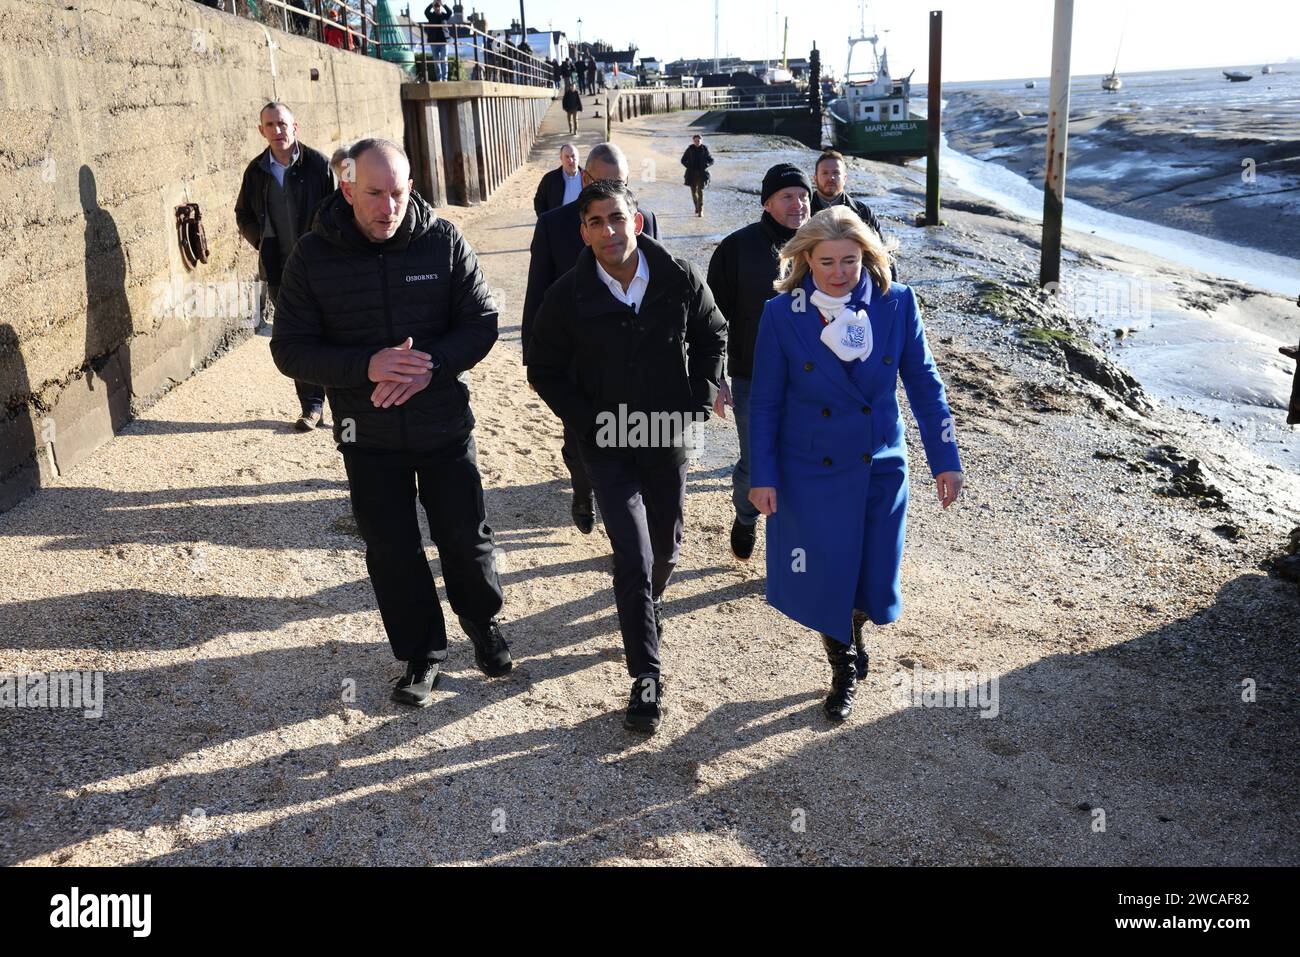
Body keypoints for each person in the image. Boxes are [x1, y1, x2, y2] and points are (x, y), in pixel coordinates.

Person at [269, 139, 512, 708]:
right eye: (375, 194)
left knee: (465, 535)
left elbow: (481, 322)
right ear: (348, 188)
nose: (388, 207)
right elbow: (290, 350)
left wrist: (430, 367)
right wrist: (367, 365)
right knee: (393, 549)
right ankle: (421, 653)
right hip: (368, 436)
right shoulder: (311, 256)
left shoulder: (444, 241)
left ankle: (483, 626)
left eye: (399, 193)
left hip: (444, 425)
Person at [747, 206, 964, 722]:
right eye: (827, 262)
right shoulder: (781, 314)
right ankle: (842, 665)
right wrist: (764, 476)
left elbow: (926, 387)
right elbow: (765, 404)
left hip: (880, 466)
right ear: (805, 260)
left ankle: (854, 628)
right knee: (827, 572)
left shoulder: (897, 304)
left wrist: (945, 460)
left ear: (867, 255)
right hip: (810, 471)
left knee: (874, 574)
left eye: (851, 260)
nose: (841, 273)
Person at [528, 180, 727, 733]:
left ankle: (648, 606)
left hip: (668, 435)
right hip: (607, 444)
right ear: (583, 232)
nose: (609, 231)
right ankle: (646, 680)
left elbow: (713, 332)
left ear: (636, 221)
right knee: (633, 560)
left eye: (617, 218)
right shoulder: (566, 295)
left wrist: (701, 397)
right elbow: (542, 369)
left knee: (665, 550)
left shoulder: (679, 277)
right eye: (596, 222)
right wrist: (588, 421)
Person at [521, 142, 661, 535]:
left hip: (632, 356)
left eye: (623, 185)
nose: (616, 195)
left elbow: (662, 291)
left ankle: (629, 515)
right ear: (585, 179)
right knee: (579, 436)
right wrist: (533, 357)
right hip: (574, 356)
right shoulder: (552, 224)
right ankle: (582, 491)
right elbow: (538, 291)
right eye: (605, 183)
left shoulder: (644, 217)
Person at [706, 163, 812, 562]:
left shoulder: (823, 245)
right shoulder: (736, 248)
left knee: (802, 465)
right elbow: (712, 320)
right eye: (787, 196)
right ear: (767, 203)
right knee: (757, 461)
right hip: (753, 376)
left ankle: (789, 548)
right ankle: (746, 516)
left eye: (803, 196)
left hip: (812, 380)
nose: (798, 204)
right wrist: (716, 378)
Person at [234, 102, 335, 432]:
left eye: (282, 123)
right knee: (299, 337)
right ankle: (312, 407)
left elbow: (339, 209)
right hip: (280, 271)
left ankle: (345, 404)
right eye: (270, 125)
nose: (277, 130)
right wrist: (262, 241)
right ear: (261, 130)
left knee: (334, 334)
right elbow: (243, 214)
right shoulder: (255, 172)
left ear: (295, 127)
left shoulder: (319, 165)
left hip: (322, 268)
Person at [533, 143, 583, 216]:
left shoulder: (587, 178)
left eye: (573, 156)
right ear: (561, 158)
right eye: (567, 157)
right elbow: (539, 201)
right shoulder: (549, 179)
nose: (570, 160)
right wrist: (546, 221)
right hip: (558, 224)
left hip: (582, 224)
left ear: (578, 158)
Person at [680, 134, 714, 217]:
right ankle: (696, 207)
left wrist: (707, 165)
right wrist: (689, 166)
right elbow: (683, 160)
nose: (697, 142)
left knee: (700, 191)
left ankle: (700, 210)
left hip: (702, 174)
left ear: (701, 141)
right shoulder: (690, 149)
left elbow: (711, 160)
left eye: (698, 141)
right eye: (695, 141)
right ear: (693, 141)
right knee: (693, 192)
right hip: (691, 174)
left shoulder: (705, 149)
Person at [423, 1, 451, 81]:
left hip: (443, 42)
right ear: (434, 8)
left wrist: (443, 4)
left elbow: (450, 12)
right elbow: (426, 11)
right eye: (435, 6)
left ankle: (444, 79)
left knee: (444, 59)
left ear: (440, 7)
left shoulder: (444, 16)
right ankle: (439, 79)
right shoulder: (431, 16)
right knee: (436, 62)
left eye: (438, 6)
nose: (437, 8)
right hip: (434, 42)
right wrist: (432, 3)